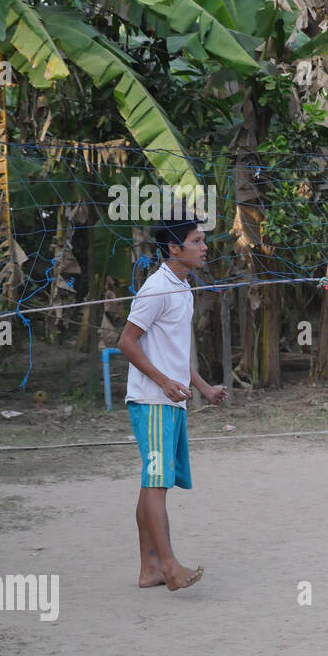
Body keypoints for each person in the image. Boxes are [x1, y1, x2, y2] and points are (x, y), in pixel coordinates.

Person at [117, 218, 226, 591]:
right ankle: (169, 566)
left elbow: (175, 353)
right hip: (152, 401)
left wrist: (204, 387)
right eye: (197, 241)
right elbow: (127, 342)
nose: (204, 247)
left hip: (168, 402)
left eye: (203, 241)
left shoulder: (183, 288)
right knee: (156, 483)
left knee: (152, 484)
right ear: (174, 249)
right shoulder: (157, 288)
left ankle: (150, 569)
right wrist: (162, 383)